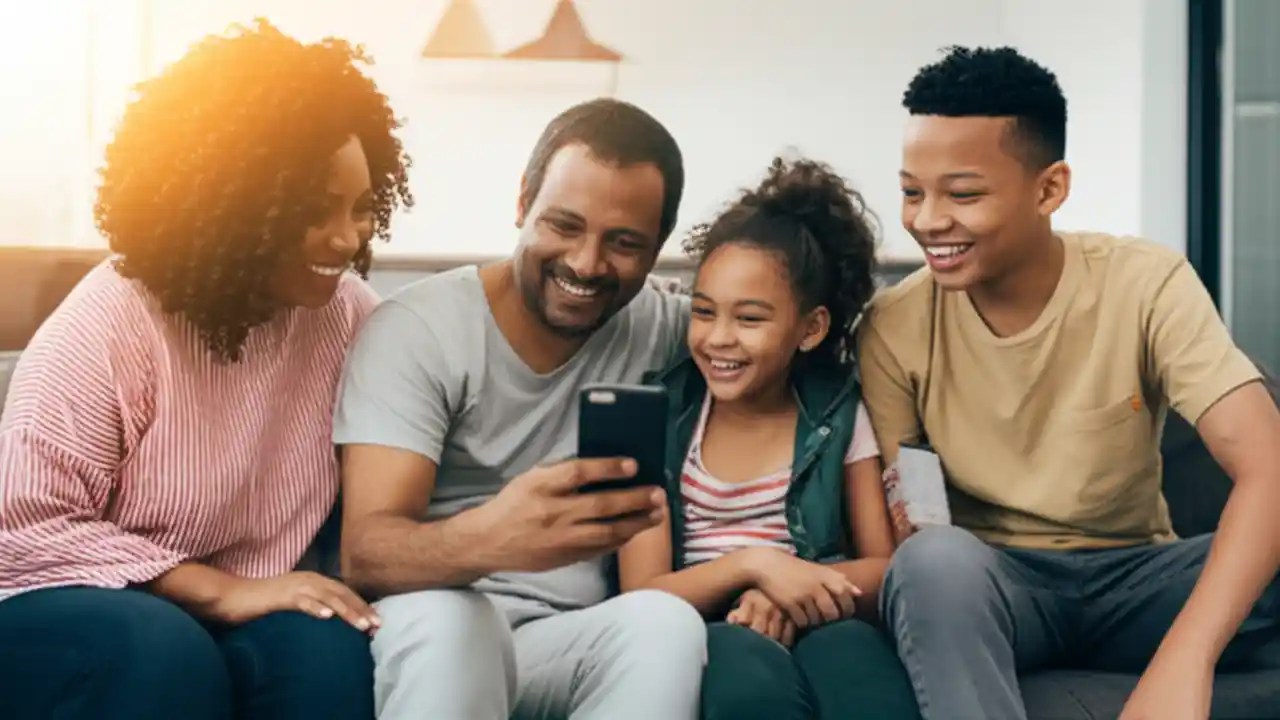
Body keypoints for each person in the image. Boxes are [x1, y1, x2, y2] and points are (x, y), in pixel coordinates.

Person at [0, 20, 412, 720]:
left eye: (361, 208)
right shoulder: (111, 321)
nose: (347, 239)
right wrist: (216, 590)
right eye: (317, 212)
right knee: (163, 649)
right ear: (236, 207)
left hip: (246, 603)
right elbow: (23, 530)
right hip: (64, 603)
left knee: (330, 653)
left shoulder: (348, 317)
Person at [859, 46, 1280, 720]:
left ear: (1049, 189)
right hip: (999, 590)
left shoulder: (1147, 283)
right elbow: (916, 523)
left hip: (1141, 579)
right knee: (933, 564)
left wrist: (1186, 661)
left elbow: (1267, 465)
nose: (929, 219)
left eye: (962, 193)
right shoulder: (893, 326)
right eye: (913, 191)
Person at [334, 98, 706, 720]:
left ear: (657, 246)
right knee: (457, 624)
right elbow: (365, 554)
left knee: (665, 623)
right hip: (428, 618)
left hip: (563, 636)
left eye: (623, 242)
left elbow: (784, 325)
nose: (587, 264)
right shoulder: (421, 329)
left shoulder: (668, 326)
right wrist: (499, 537)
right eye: (564, 225)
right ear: (522, 202)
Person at [616, 157, 920, 720]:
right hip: (704, 623)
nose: (718, 339)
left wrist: (784, 594)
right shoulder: (657, 416)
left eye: (750, 319)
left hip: (825, 614)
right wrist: (752, 567)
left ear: (811, 328)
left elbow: (883, 568)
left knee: (867, 682)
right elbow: (642, 594)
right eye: (703, 312)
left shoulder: (839, 413)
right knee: (743, 683)